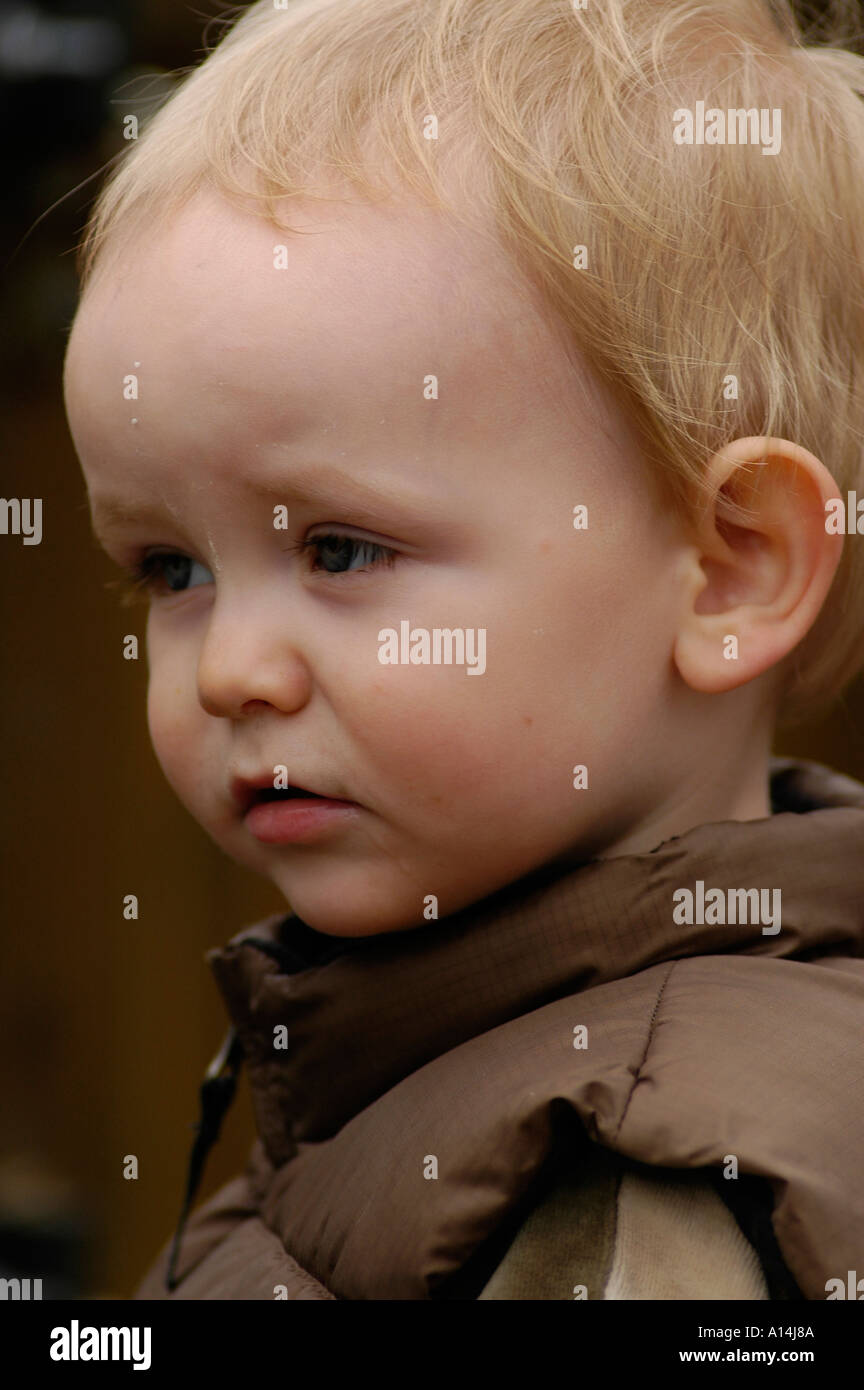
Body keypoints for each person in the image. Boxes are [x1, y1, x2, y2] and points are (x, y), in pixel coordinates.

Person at [62, 0, 864, 1299]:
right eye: (175, 570)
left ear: (729, 567)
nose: (229, 672)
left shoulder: (652, 1181)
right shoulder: (417, 1047)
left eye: (339, 549)